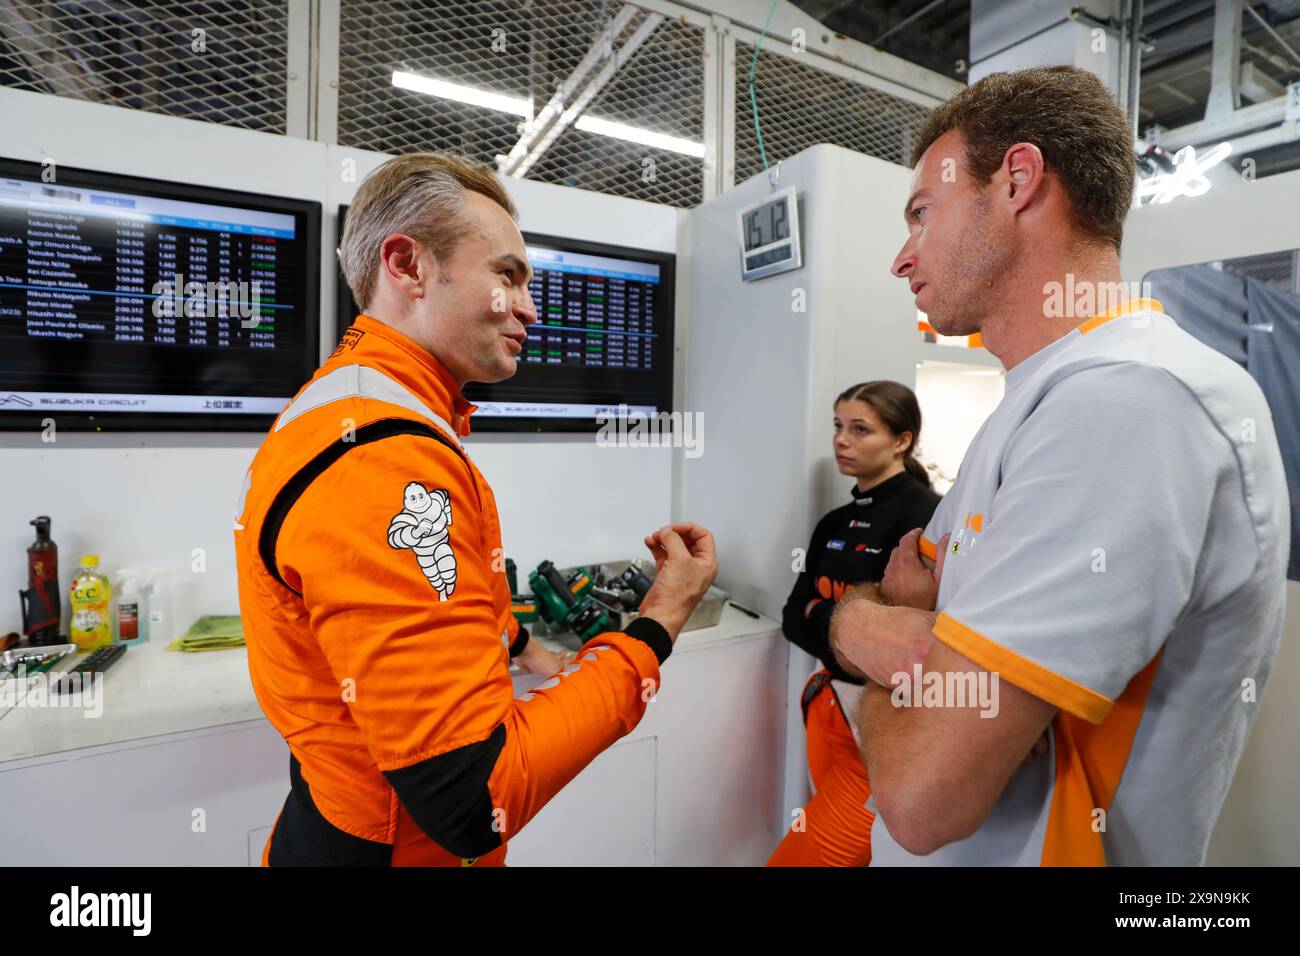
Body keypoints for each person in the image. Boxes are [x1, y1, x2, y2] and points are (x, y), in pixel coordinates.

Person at [830, 65, 1288, 865]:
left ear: (1016, 181)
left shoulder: (1129, 401)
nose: (902, 261)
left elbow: (920, 798)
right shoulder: (1041, 402)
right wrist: (896, 634)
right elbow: (919, 605)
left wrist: (859, 628)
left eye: (921, 216)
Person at [234, 152, 717, 866]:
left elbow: (442, 612)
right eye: (507, 276)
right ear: (408, 266)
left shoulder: (357, 414)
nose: (528, 307)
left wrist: (528, 651)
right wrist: (656, 624)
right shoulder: (382, 458)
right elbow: (474, 798)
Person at [768, 381, 940, 866]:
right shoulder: (834, 521)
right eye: (839, 427)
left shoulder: (927, 518)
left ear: (901, 440)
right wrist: (857, 628)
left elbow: (916, 642)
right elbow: (791, 617)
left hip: (881, 729)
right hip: (827, 712)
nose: (842, 440)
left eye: (861, 429)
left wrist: (826, 618)